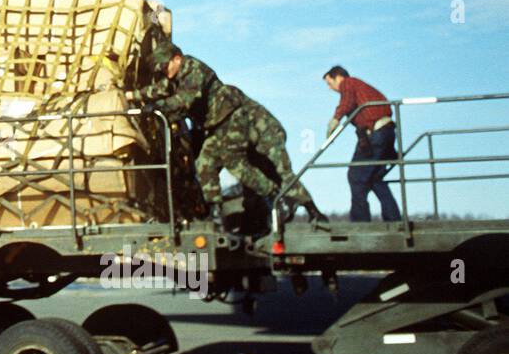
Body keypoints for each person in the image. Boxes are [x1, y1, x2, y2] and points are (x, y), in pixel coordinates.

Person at [130, 44, 323, 222]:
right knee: (206, 163)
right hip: (217, 126)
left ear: (177, 58)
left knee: (247, 164)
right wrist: (133, 96)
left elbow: (183, 101)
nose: (165, 72)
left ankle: (287, 201)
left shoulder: (194, 70)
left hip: (232, 120)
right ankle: (214, 212)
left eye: (165, 66)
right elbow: (160, 89)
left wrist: (157, 107)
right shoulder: (177, 77)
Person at [323, 65, 401, 223]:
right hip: (384, 133)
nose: (330, 88)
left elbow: (346, 102)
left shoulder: (349, 83)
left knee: (356, 176)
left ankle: (360, 222)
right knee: (374, 178)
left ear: (338, 77)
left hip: (377, 134)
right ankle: (393, 218)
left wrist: (335, 119)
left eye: (329, 83)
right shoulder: (360, 91)